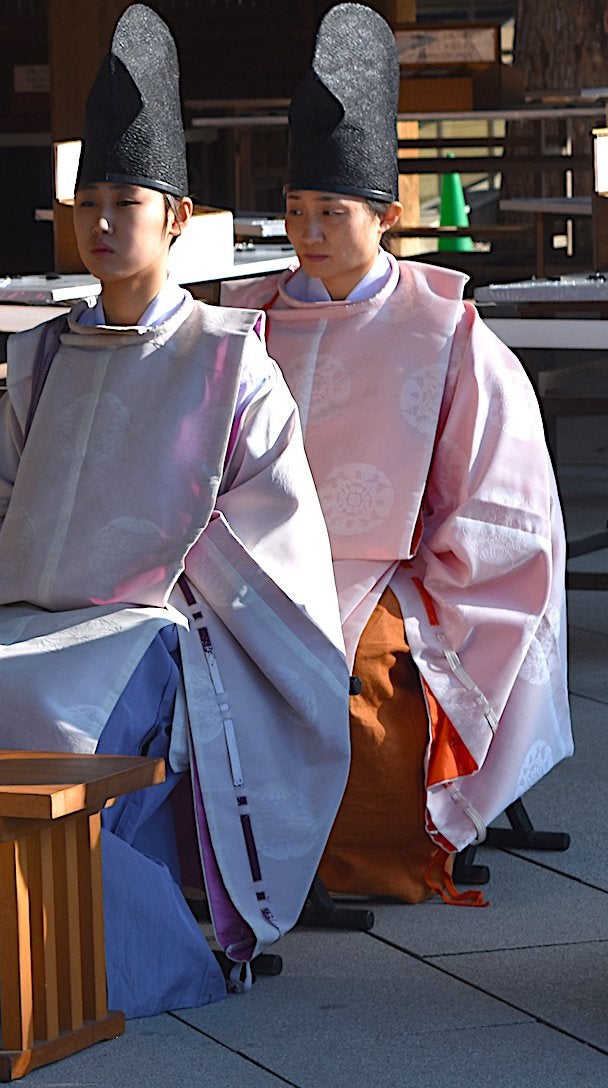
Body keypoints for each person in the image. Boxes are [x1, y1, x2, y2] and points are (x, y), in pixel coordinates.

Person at [0, 5, 350, 1017]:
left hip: (149, 623)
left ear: (176, 218)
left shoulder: (230, 360)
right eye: (83, 201)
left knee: (47, 729)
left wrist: (170, 570)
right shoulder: (44, 354)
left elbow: (268, 520)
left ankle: (147, 959)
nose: (100, 222)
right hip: (22, 616)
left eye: (124, 201)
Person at [222, 4, 570, 905]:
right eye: (296, 210)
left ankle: (360, 858)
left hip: (398, 575)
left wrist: (421, 582)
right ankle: (210, 864)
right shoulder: (245, 321)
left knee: (363, 671)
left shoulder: (448, 331)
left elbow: (504, 504)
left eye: (330, 212)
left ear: (388, 214)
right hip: (246, 563)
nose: (307, 231)